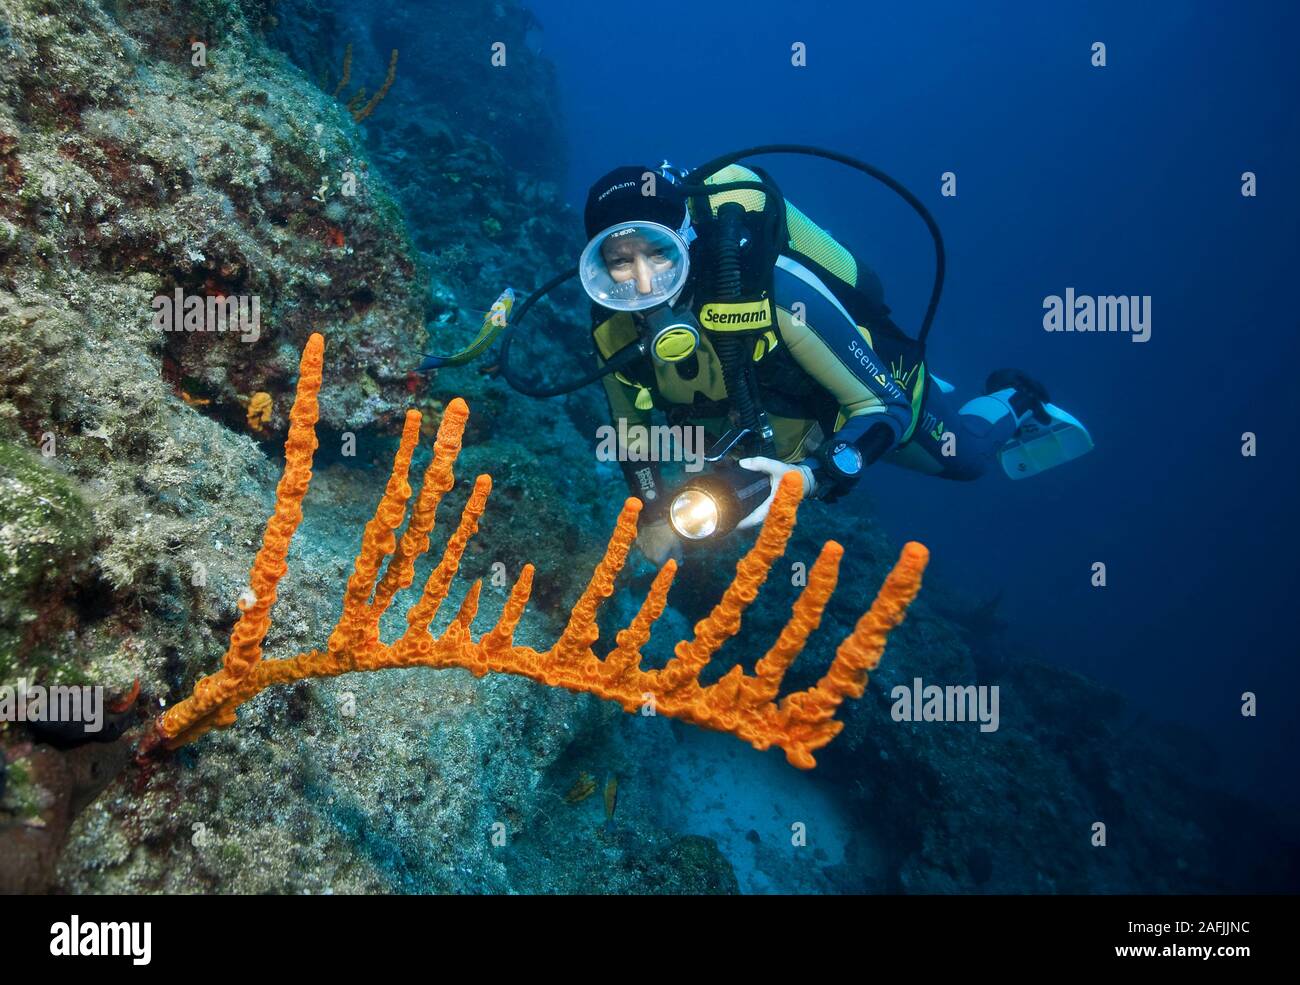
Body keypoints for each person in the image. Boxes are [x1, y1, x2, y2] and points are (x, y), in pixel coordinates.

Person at [580, 162, 1092, 565]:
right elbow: (633, 432)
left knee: (968, 462)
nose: (644, 284)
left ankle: (1018, 398)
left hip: (872, 398)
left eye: (658, 253)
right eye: (621, 261)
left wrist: (808, 477)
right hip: (774, 427)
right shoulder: (611, 327)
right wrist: (650, 512)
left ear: (686, 238)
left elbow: (884, 407)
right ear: (598, 263)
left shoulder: (772, 292)